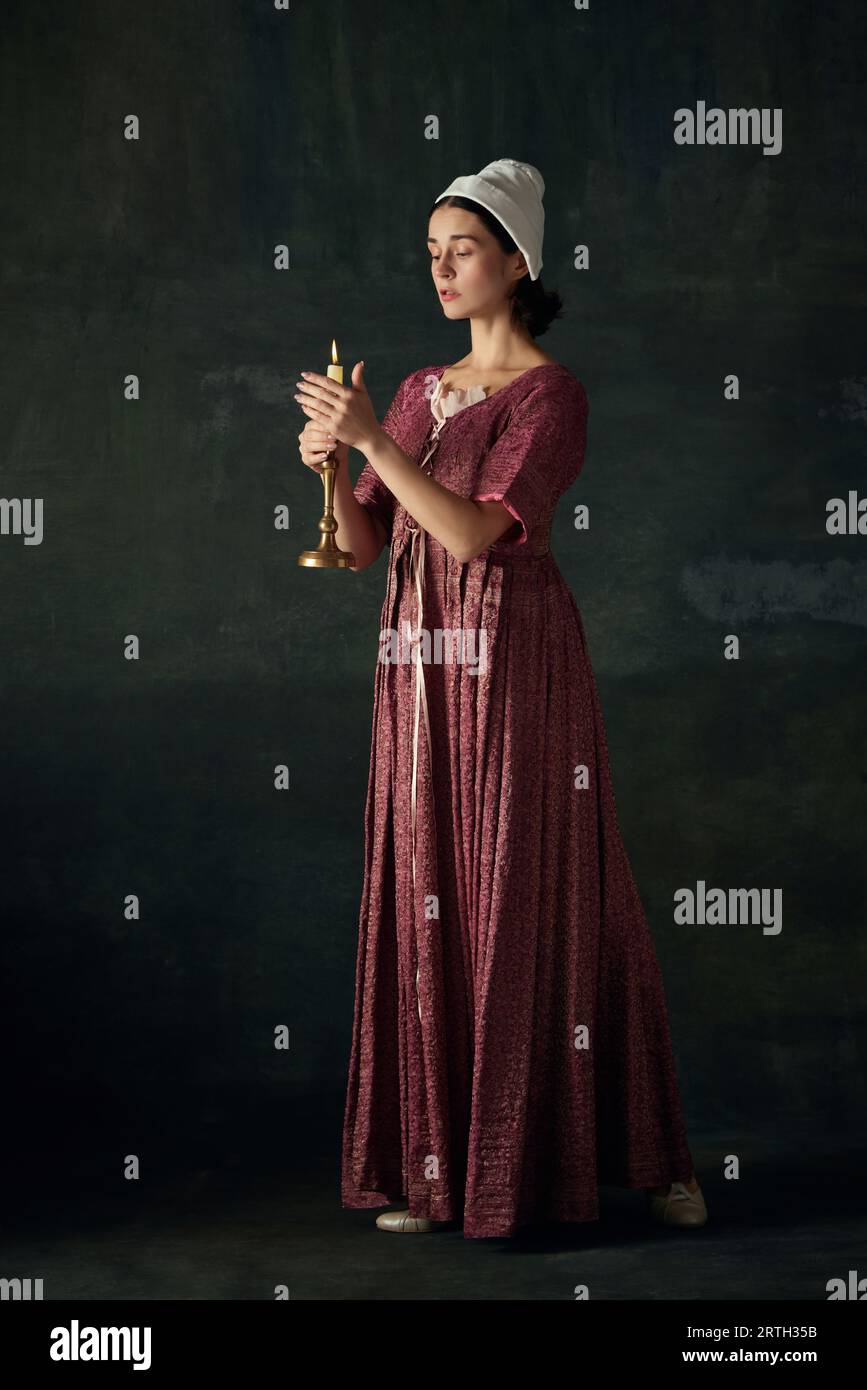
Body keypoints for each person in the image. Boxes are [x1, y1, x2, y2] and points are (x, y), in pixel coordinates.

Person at [296, 159, 707, 1238]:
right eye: (429, 250)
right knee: (430, 873)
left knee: (531, 880)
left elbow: (478, 533)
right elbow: (356, 551)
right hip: (417, 664)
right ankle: (441, 1170)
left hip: (513, 660)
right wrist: (335, 471)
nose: (439, 266)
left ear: (518, 259)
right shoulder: (423, 389)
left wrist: (374, 439)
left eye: (461, 247)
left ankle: (630, 1157)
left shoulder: (552, 396)